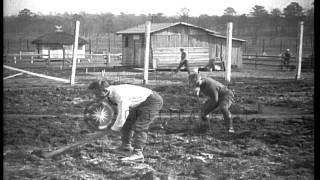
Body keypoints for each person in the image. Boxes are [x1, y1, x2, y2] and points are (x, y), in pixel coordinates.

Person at [88, 80, 163, 162]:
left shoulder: (120, 95)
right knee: (128, 122)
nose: (95, 96)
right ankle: (126, 146)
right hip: (139, 102)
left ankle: (138, 154)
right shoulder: (109, 93)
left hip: (152, 101)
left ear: (104, 91)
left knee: (140, 126)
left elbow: (122, 114)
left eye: (96, 94)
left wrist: (114, 129)